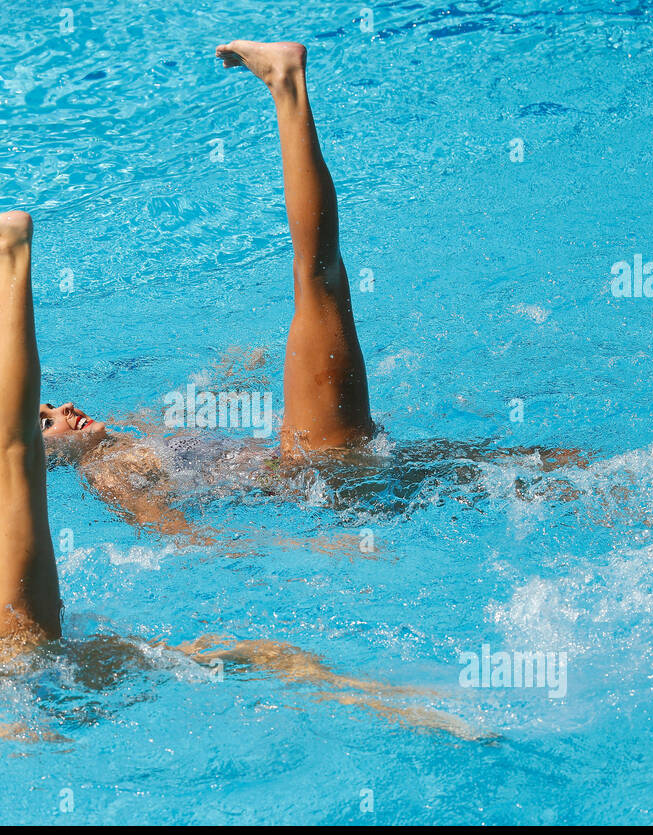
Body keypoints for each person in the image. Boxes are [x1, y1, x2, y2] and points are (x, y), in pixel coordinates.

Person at [0, 207, 483, 741]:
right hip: (4, 652)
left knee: (224, 653)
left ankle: (395, 699)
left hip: (34, 654)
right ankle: (11, 256)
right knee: (10, 454)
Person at [37, 41, 585, 542]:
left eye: (54, 403)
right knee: (318, 277)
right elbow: (183, 538)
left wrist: (236, 374)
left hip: (335, 468)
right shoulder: (105, 474)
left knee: (533, 470)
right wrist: (308, 549)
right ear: (40, 455)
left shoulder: (137, 434)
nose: (65, 409)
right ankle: (286, 83)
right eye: (46, 421)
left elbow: (205, 431)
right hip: (313, 468)